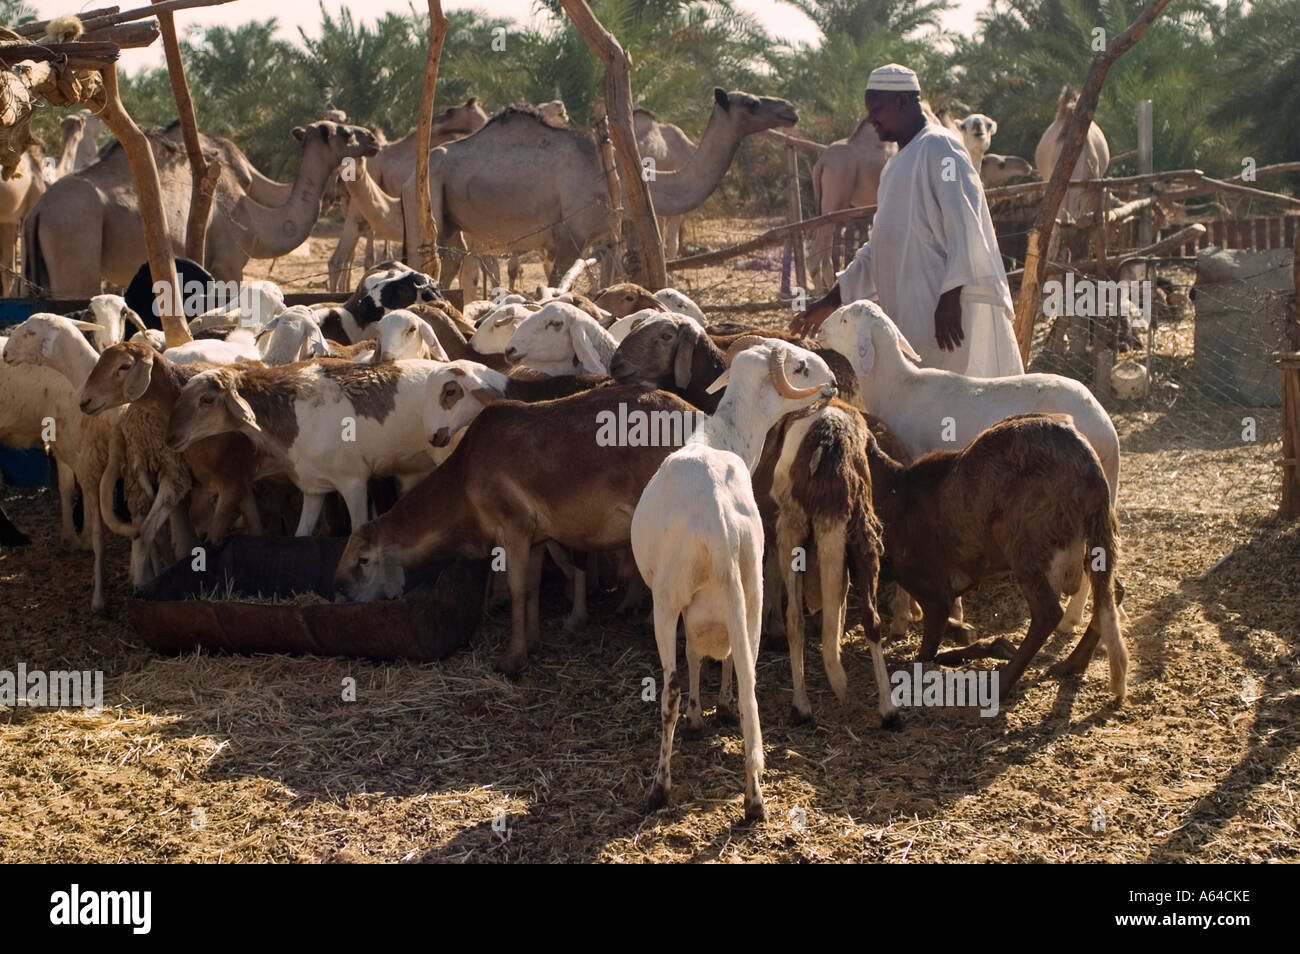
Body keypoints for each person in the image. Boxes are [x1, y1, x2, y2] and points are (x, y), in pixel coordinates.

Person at [791, 63, 1023, 377]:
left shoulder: (940, 147)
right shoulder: (894, 167)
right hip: (910, 317)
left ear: (902, 102)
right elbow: (879, 248)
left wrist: (950, 297)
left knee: (953, 402)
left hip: (944, 320)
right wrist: (831, 300)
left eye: (876, 109)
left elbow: (965, 224)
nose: (870, 118)